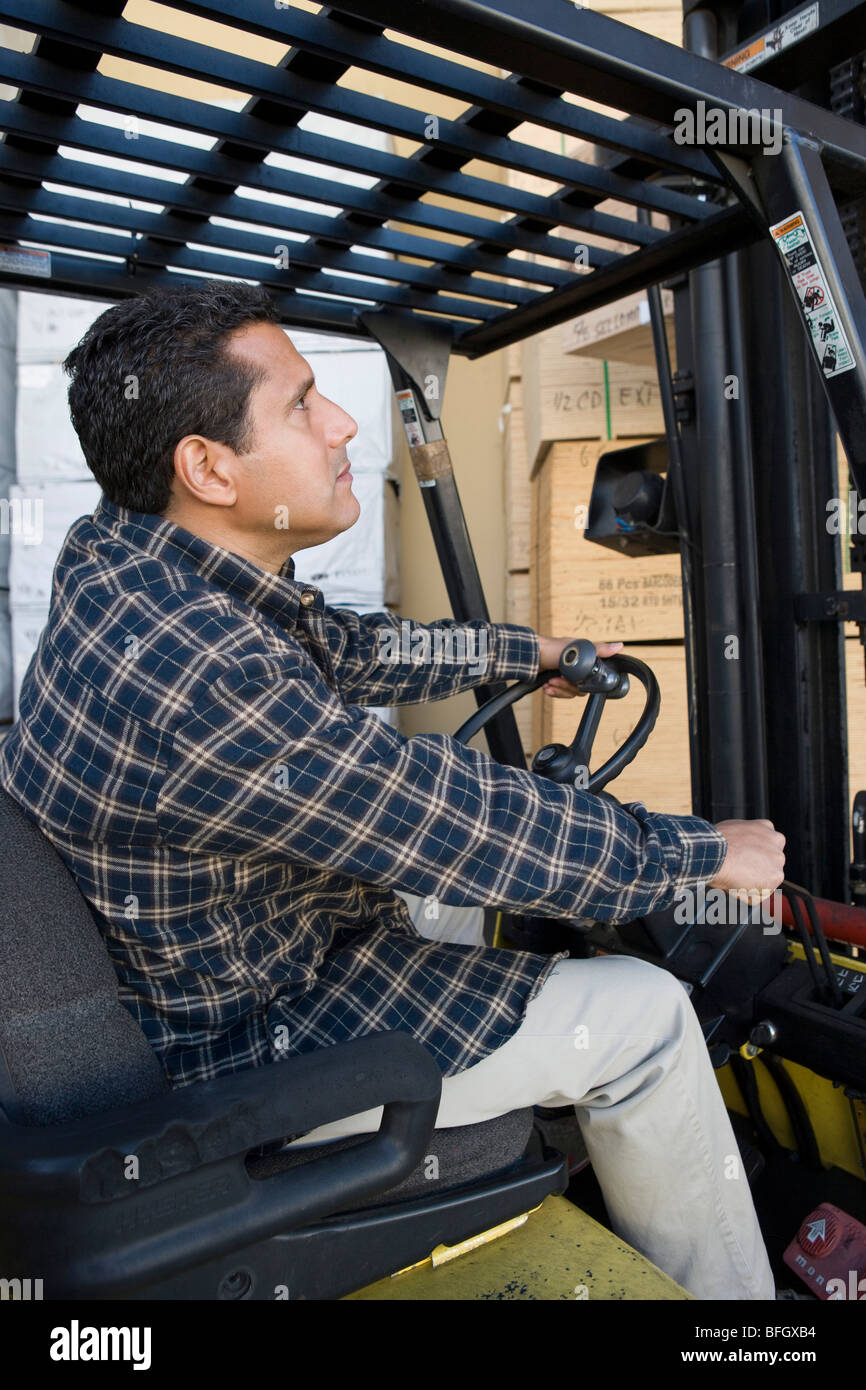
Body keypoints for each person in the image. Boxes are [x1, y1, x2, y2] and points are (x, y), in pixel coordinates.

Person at [0, 281, 785, 1301]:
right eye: (299, 404)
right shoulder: (202, 680)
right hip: (237, 1055)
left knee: (472, 889)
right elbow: (449, 819)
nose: (338, 426)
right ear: (206, 465)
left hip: (210, 953)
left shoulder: (125, 559)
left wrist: (523, 651)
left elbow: (345, 648)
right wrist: (698, 852)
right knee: (643, 1013)